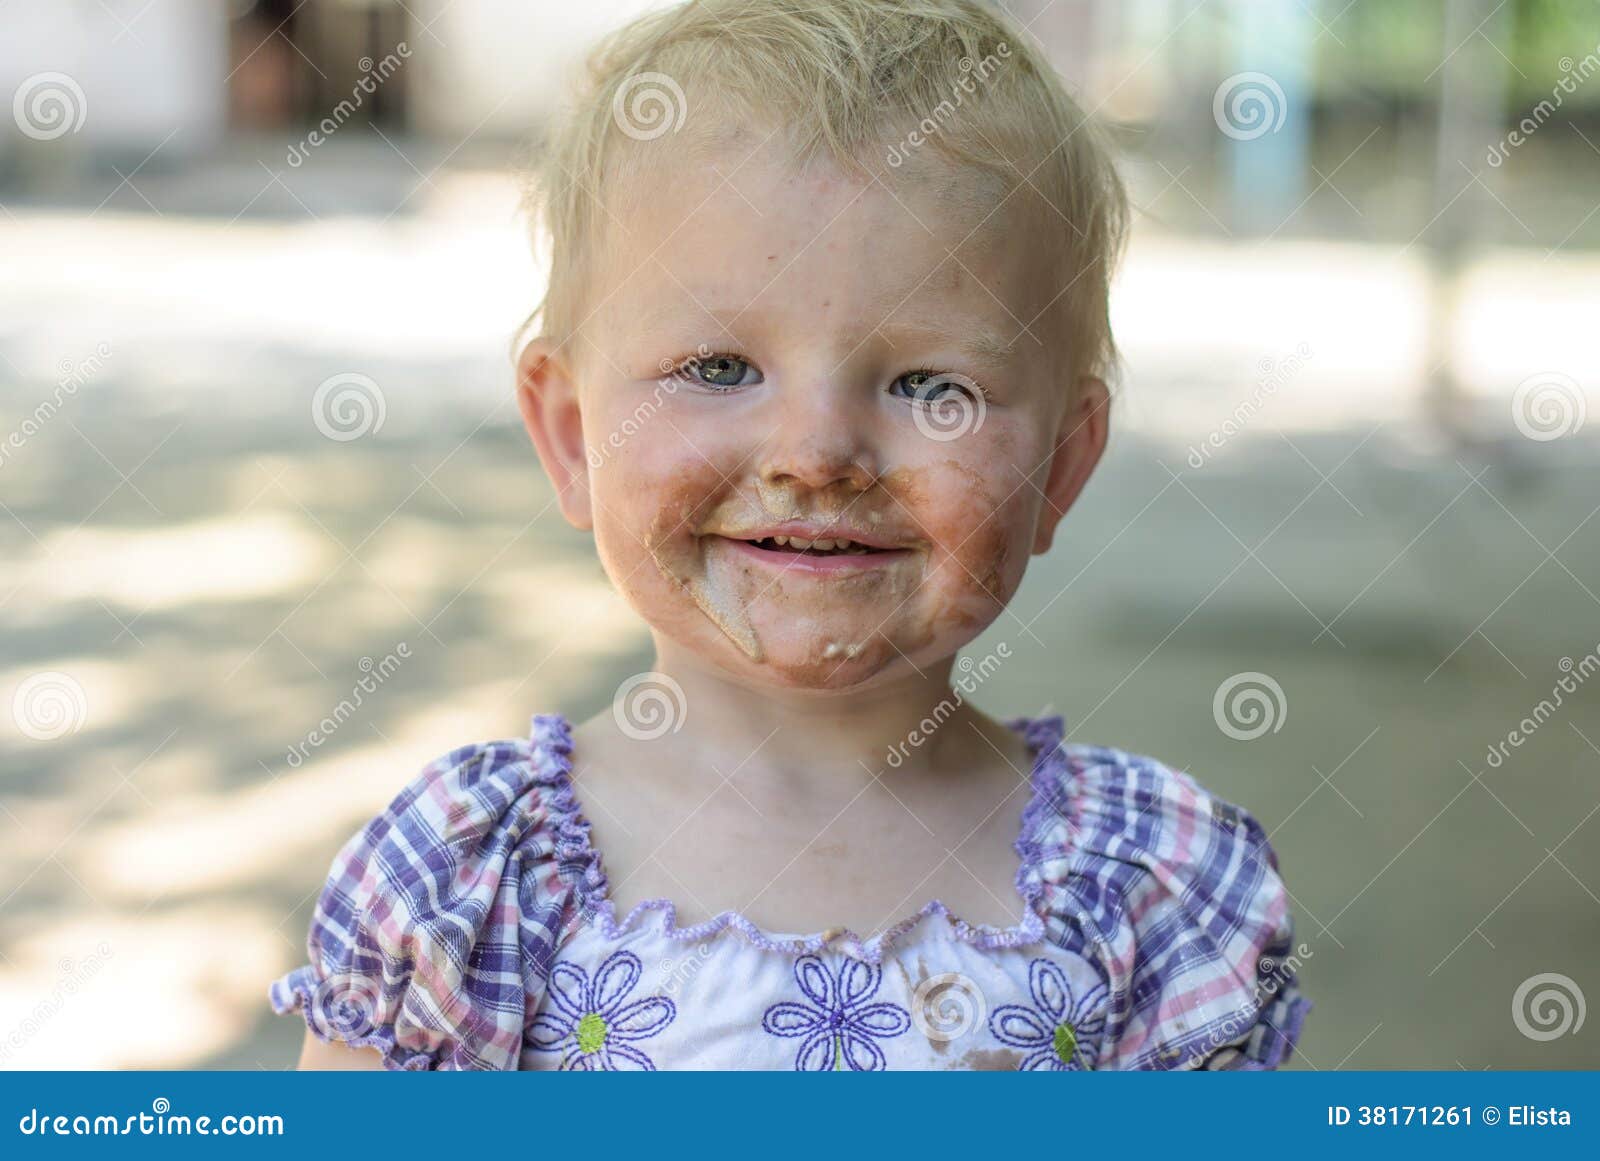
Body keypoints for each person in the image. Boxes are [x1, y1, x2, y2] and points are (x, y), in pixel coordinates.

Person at [272, 0, 1309, 1070]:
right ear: (575, 435)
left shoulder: (1154, 889)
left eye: (928, 385)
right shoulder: (465, 883)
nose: (816, 454)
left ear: (1063, 463)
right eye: (719, 369)